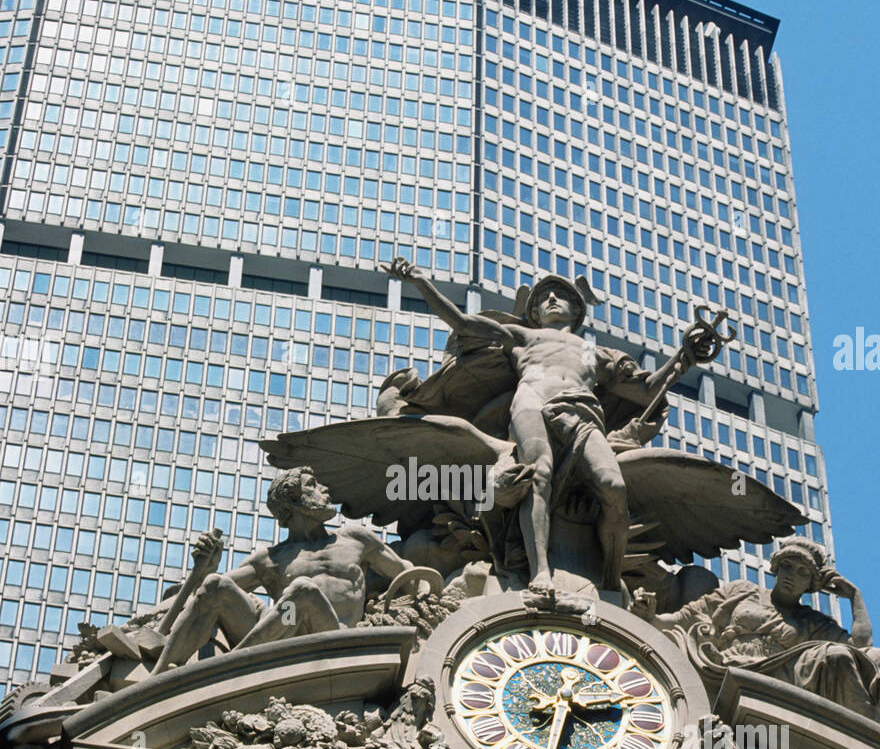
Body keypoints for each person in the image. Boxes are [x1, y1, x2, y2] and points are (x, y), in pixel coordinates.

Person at [384, 258, 718, 591]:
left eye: (560, 295)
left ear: (577, 310)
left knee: (613, 486)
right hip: (532, 402)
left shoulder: (596, 353)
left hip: (583, 411)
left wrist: (684, 357)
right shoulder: (523, 337)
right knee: (538, 475)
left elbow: (646, 391)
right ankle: (540, 572)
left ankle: (610, 577)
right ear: (534, 312)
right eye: (544, 297)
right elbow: (462, 322)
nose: (552, 299)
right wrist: (420, 281)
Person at [152, 466, 415, 674]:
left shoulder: (355, 539)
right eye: (312, 485)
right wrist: (203, 571)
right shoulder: (271, 559)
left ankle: (232, 665)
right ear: (294, 500)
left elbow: (407, 573)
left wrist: (421, 591)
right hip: (285, 634)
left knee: (303, 591)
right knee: (215, 584)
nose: (325, 489)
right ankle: (160, 675)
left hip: (335, 637)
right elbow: (203, 595)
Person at [632, 536, 880, 720]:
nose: (791, 575)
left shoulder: (812, 621)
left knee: (841, 655)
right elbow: (686, 618)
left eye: (802, 572)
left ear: (811, 584)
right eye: (787, 566)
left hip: (777, 679)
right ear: (776, 567)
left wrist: (855, 597)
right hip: (725, 666)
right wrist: (651, 616)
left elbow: (861, 647)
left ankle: (866, 730)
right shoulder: (741, 590)